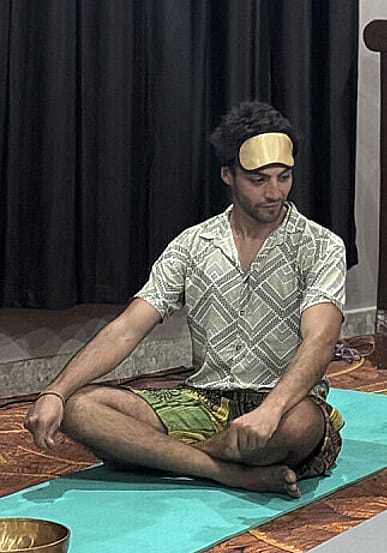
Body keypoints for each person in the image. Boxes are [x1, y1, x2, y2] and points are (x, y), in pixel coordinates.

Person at [23, 100, 346, 498]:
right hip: (202, 402)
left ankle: (166, 456)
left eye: (283, 177)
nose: (274, 192)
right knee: (79, 407)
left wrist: (272, 409)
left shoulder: (321, 245)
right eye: (259, 179)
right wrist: (54, 391)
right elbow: (128, 328)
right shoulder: (192, 244)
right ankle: (222, 469)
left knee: (300, 426)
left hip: (283, 405)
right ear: (228, 175)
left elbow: (321, 339)